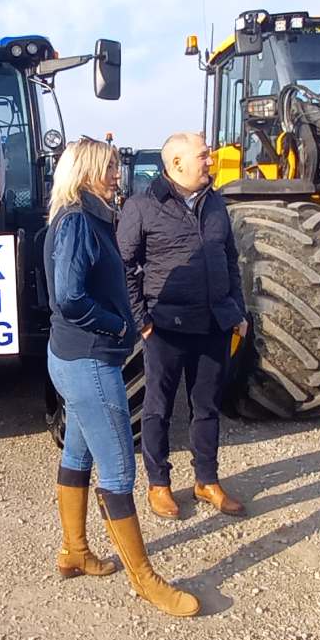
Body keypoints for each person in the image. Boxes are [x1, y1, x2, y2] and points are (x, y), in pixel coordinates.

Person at [45, 137, 200, 618]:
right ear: (88, 171)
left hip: (74, 358)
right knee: (118, 471)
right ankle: (146, 580)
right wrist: (117, 324)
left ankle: (74, 551)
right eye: (110, 167)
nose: (118, 174)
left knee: (78, 451)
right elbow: (69, 298)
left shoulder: (85, 217)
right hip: (89, 361)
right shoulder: (77, 221)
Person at [118, 131, 250, 520]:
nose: (210, 161)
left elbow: (230, 260)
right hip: (165, 328)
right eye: (203, 156)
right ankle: (159, 485)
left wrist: (237, 310)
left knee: (206, 406)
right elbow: (124, 267)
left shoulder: (215, 204)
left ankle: (206, 480)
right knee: (158, 409)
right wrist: (142, 322)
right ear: (176, 164)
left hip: (214, 324)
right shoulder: (142, 206)